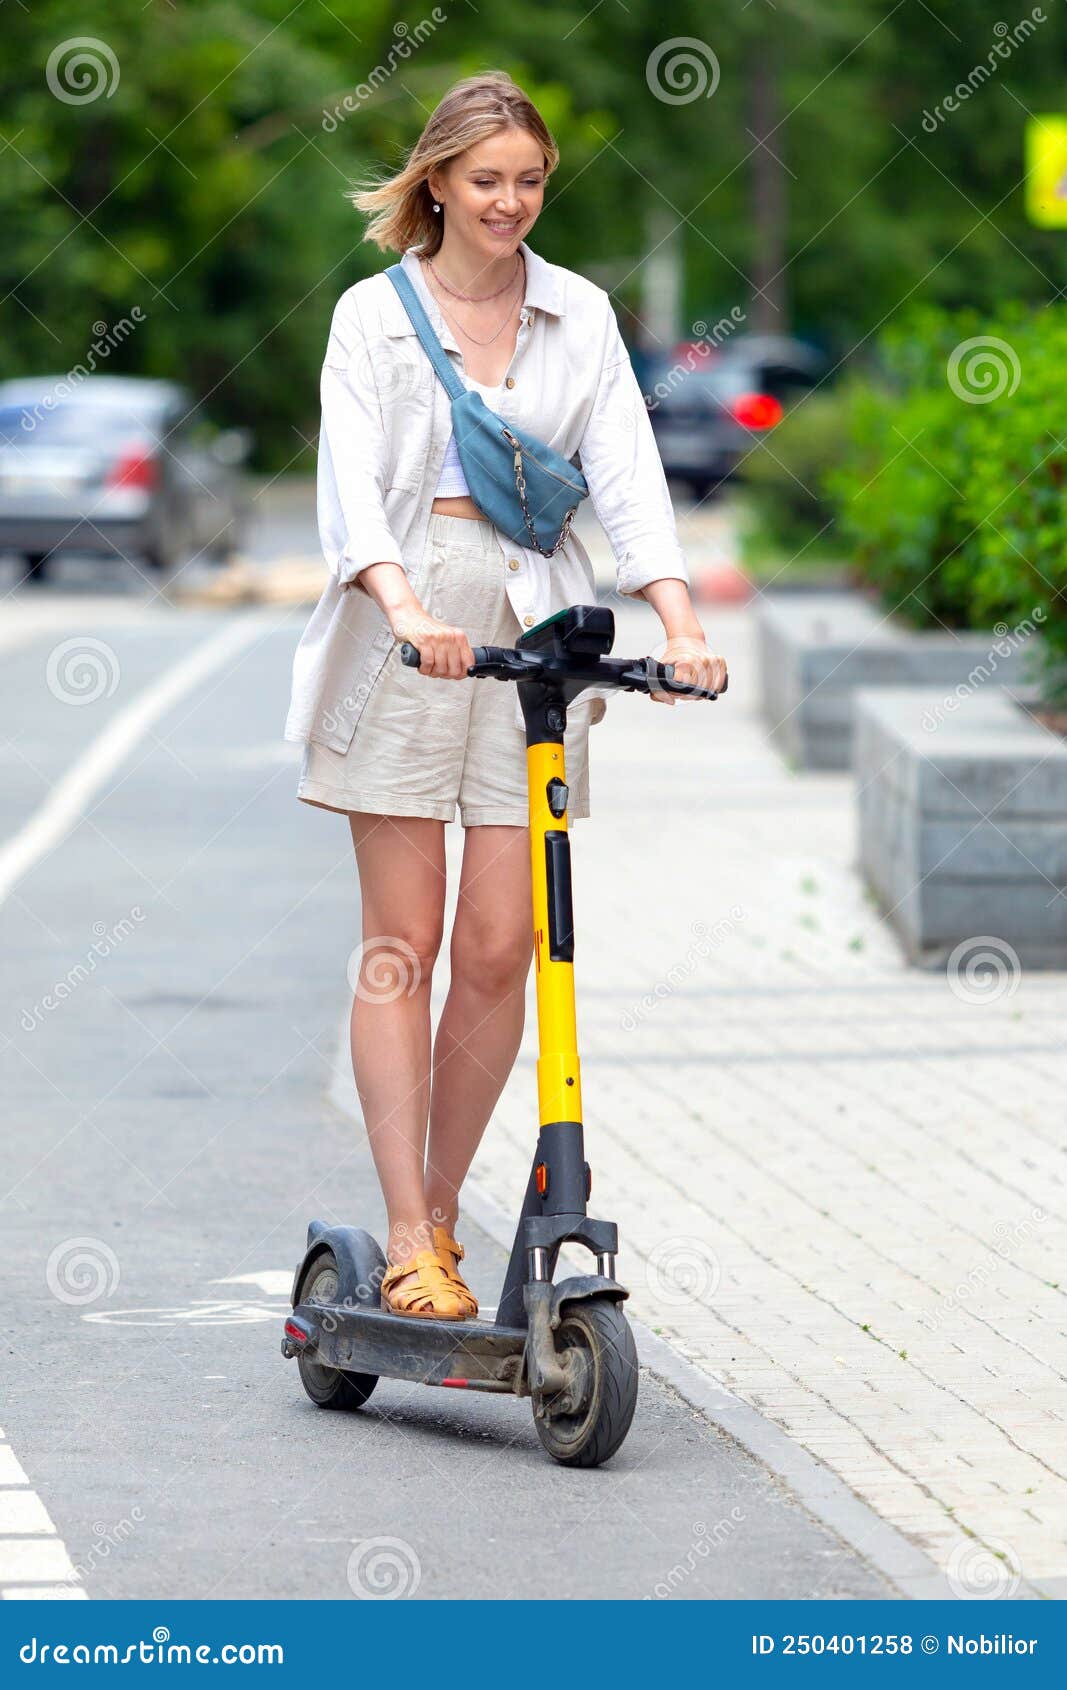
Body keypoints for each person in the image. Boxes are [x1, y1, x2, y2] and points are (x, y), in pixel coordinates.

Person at [285, 70, 727, 1320]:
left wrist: (679, 625)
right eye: (486, 181)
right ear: (436, 181)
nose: (510, 204)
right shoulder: (374, 318)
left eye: (530, 182)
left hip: (533, 618)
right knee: (403, 943)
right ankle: (408, 1233)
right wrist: (400, 602)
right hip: (407, 615)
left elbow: (626, 475)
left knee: (501, 944)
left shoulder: (576, 312)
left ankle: (439, 1216)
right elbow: (351, 488)